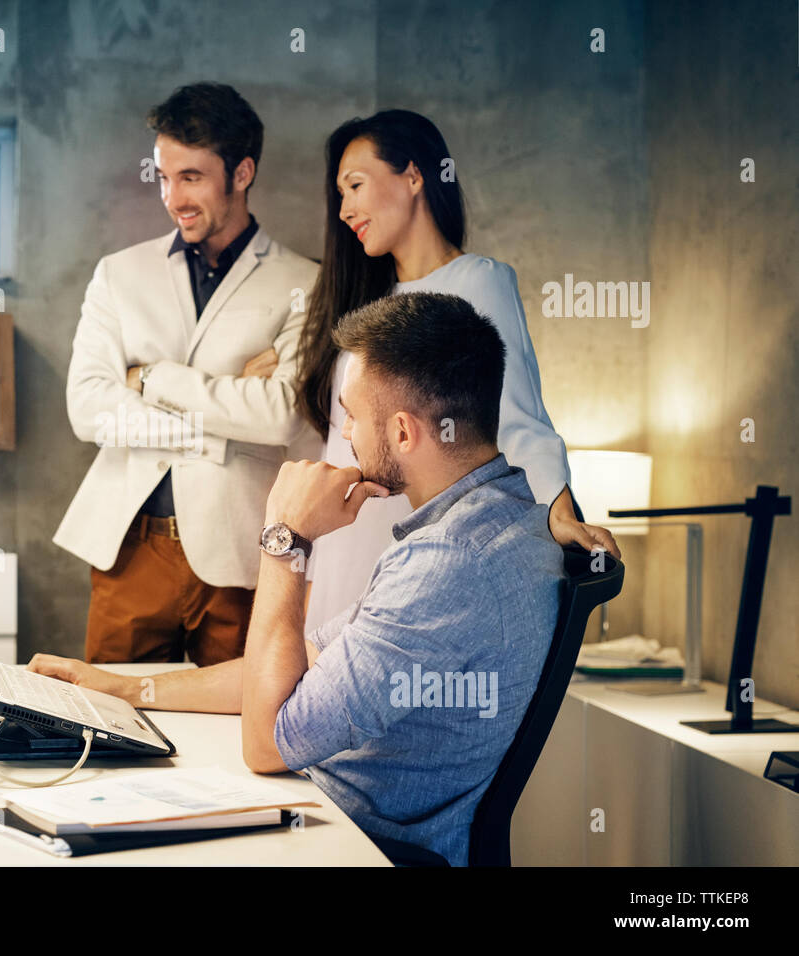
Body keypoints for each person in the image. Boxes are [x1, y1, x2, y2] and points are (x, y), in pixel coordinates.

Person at [31, 292, 569, 866]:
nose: (346, 434)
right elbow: (308, 662)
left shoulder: (446, 564)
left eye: (352, 416)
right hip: (321, 810)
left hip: (350, 841)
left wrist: (284, 538)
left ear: (404, 433)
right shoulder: (504, 516)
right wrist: (127, 691)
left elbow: (267, 743)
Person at [294, 110, 618, 634]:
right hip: (341, 537)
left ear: (413, 176)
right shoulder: (359, 298)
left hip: (417, 538)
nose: (345, 208)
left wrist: (557, 512)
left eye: (355, 185)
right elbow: (336, 435)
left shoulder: (477, 282)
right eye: (340, 194)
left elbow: (518, 418)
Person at [53, 82, 319, 666]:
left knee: (236, 710)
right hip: (130, 547)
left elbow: (279, 417)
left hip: (241, 548)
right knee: (110, 710)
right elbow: (88, 408)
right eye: (164, 177)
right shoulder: (119, 273)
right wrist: (224, 418)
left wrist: (149, 378)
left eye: (191, 177)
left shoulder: (304, 282)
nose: (173, 198)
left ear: (242, 172)